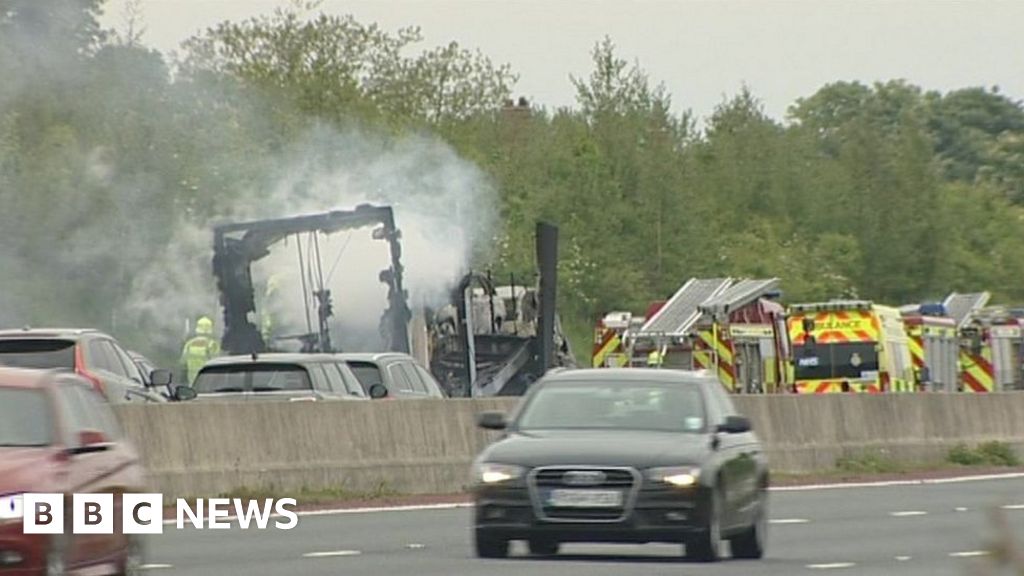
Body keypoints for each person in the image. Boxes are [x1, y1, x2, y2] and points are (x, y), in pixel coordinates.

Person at [181, 316, 221, 384]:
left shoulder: (189, 344)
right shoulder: (212, 345)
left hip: (192, 381)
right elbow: (217, 363)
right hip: (207, 380)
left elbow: (183, 363)